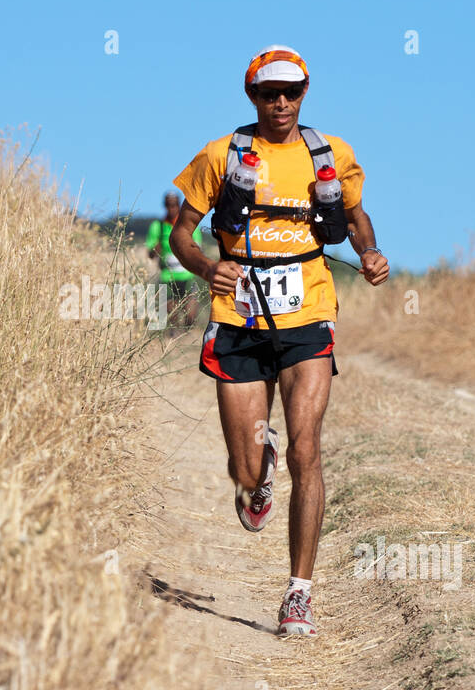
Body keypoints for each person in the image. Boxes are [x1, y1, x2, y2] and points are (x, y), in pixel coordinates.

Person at [167, 45, 390, 636]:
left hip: (307, 312)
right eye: (270, 93)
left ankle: (299, 594)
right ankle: (254, 472)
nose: (281, 102)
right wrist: (203, 267)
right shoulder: (222, 156)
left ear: (305, 93)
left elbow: (357, 216)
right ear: (252, 97)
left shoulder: (330, 154)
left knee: (306, 448)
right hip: (237, 315)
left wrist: (368, 253)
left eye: (291, 92)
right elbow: (180, 235)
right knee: (246, 473)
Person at [146, 192, 204, 331]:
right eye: (168, 205)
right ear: (164, 206)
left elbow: (198, 249)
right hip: (168, 276)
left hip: (187, 275)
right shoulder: (157, 227)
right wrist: (156, 249)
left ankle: (188, 335)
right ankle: (174, 339)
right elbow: (150, 253)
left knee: (190, 314)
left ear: (179, 206)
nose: (171, 208)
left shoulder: (189, 226)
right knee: (172, 313)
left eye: (174, 205)